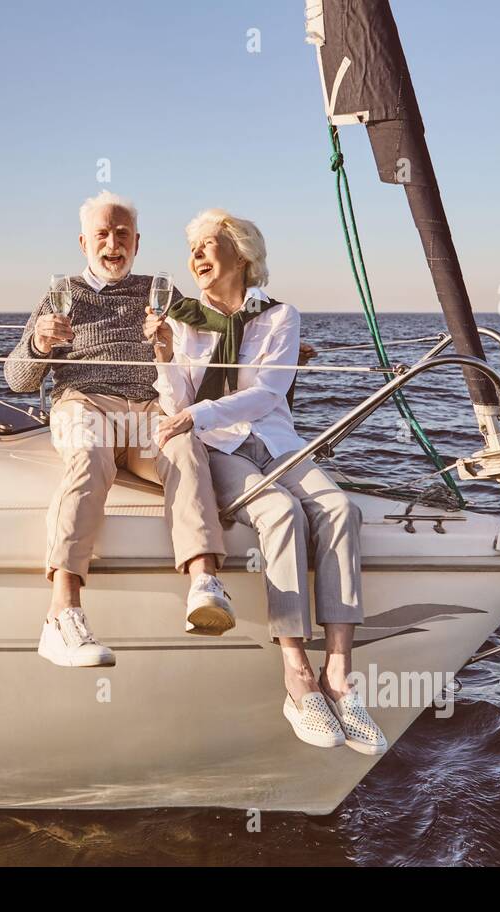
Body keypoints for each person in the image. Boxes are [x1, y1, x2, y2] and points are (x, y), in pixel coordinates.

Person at [147, 209, 386, 754]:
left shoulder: (279, 316)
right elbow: (177, 404)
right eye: (194, 249)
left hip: (275, 440)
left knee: (341, 510)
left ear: (243, 255)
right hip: (220, 446)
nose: (197, 257)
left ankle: (341, 675)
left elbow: (270, 391)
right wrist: (163, 355)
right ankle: (297, 674)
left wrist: (196, 414)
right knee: (280, 512)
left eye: (210, 246)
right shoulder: (183, 320)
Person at [4, 191, 235, 668]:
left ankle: (203, 583)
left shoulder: (160, 291)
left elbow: (219, 324)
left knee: (186, 446)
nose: (114, 243)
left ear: (137, 242)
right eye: (103, 234)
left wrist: (278, 340)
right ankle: (61, 615)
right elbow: (19, 381)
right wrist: (40, 344)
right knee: (90, 458)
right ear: (84, 242)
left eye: (123, 234)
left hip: (149, 406)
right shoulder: (61, 294)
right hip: (84, 401)